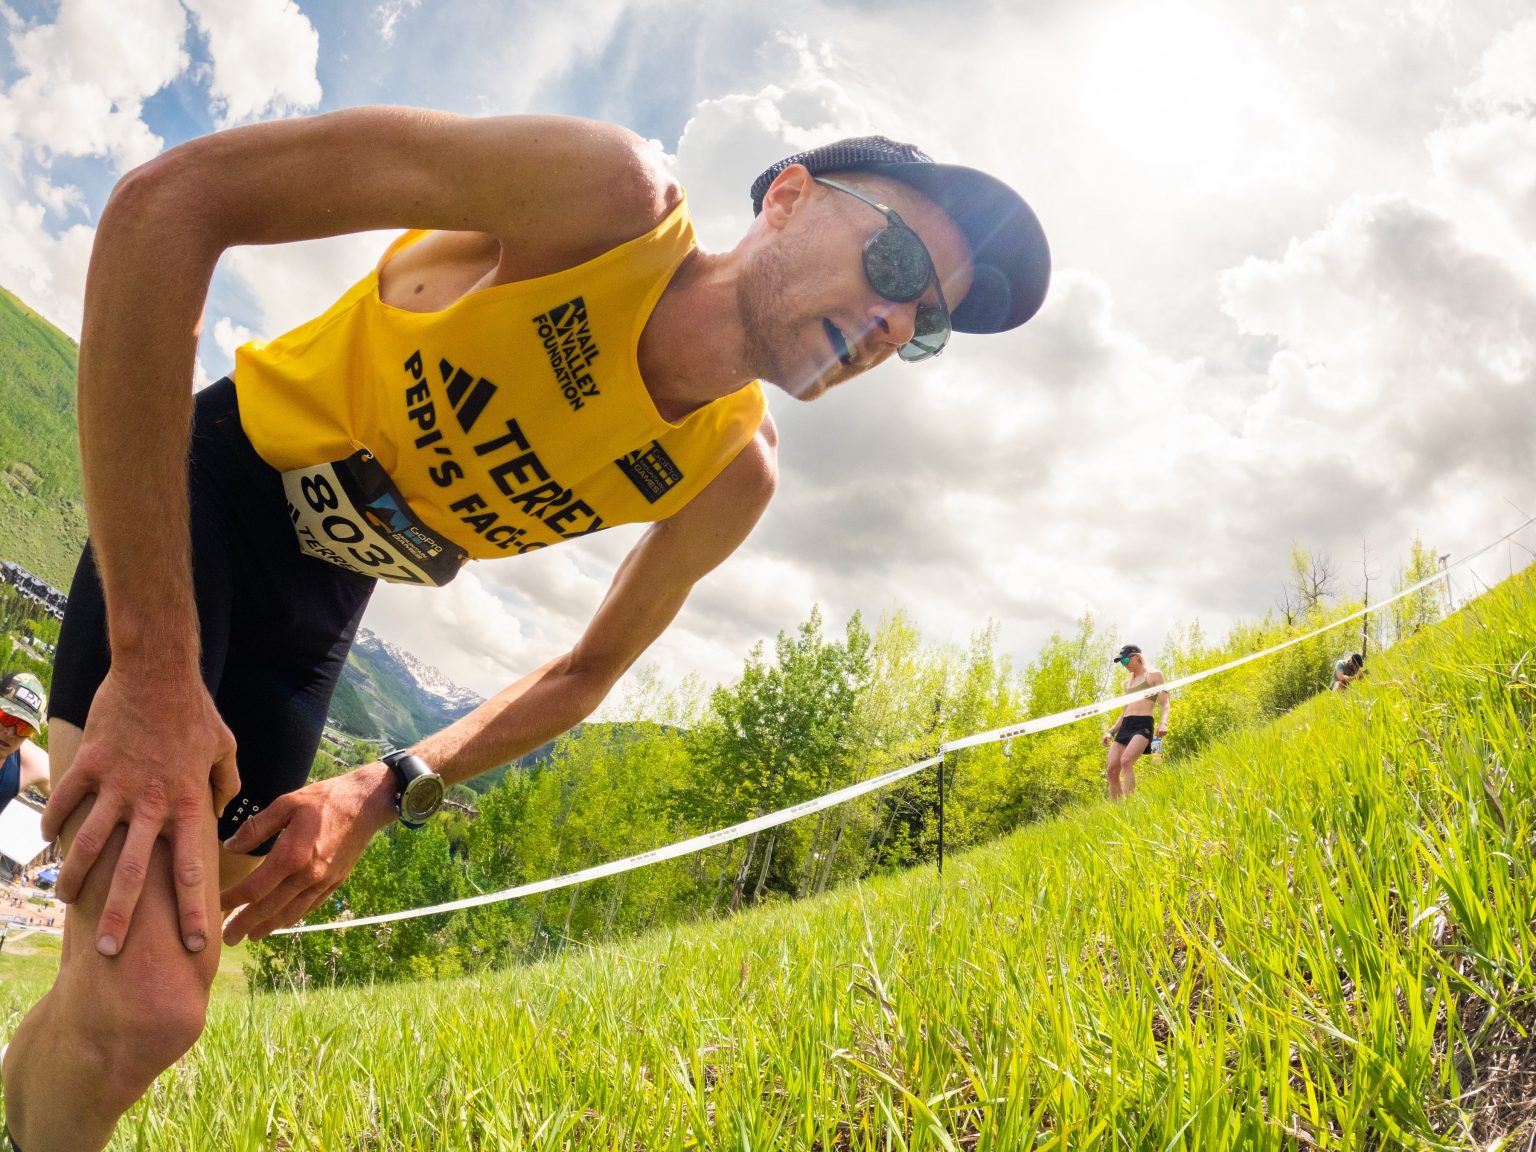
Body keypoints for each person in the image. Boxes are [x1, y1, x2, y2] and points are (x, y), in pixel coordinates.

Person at [0, 110, 1050, 1151]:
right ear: (787, 196)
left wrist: (385, 782)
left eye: (931, 322)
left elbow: (589, 669)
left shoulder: (733, 473)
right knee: (146, 1003)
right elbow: (167, 204)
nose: (897, 322)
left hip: (325, 610)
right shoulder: (602, 204)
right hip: (211, 503)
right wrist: (151, 665)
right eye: (898, 258)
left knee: (128, 1004)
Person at [1101, 644, 1169, 800]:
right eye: (1121, 662)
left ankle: (1129, 806)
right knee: (1111, 771)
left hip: (1143, 724)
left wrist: (1163, 722)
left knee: (1126, 761)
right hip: (1126, 726)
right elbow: (1125, 711)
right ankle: (1119, 810)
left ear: (1137, 657)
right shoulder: (1126, 684)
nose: (1124, 665)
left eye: (1125, 660)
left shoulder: (1154, 675)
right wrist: (1110, 732)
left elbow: (1165, 703)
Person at [0, 673, 50, 818]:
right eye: (6, 718)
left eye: (24, 728)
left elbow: (73, 803)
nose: (10, 733)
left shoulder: (31, 765)